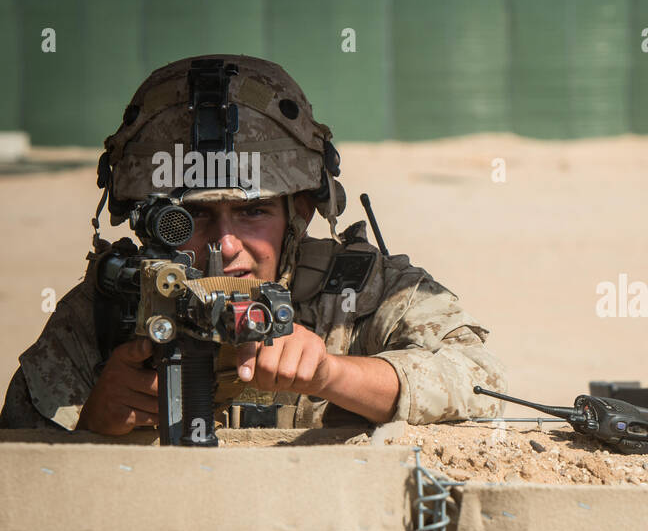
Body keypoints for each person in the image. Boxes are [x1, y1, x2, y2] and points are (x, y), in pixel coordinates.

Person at [1, 55, 506, 434]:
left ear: (301, 210)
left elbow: (482, 381)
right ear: (144, 220)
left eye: (252, 212)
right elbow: (20, 469)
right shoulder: (104, 311)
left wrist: (334, 374)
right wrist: (93, 427)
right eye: (191, 217)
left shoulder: (359, 293)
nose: (226, 243)